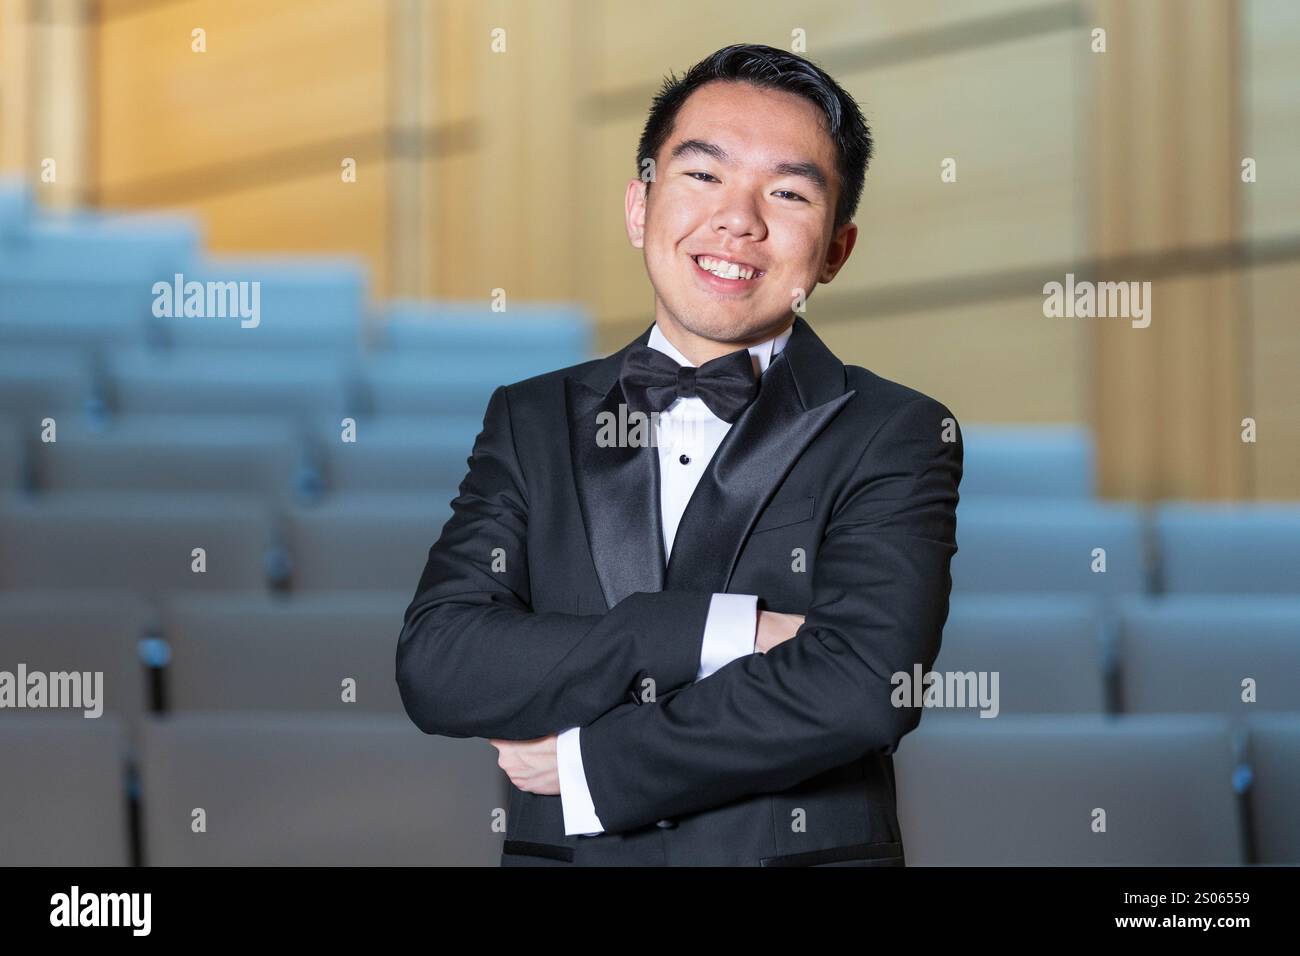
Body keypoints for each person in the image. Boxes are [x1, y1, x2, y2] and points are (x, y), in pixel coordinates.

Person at [396, 42, 962, 866]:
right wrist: (721, 629)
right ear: (639, 206)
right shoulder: (529, 418)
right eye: (703, 175)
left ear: (835, 250)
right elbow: (440, 663)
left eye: (789, 192)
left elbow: (865, 688)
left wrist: (592, 763)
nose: (739, 218)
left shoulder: (898, 430)